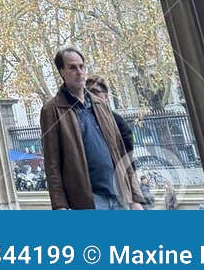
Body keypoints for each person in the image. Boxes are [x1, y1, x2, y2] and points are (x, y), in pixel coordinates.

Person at [40, 47, 145, 210]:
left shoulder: (101, 104)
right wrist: (60, 205)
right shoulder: (52, 109)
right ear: (62, 72)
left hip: (119, 196)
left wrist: (135, 197)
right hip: (88, 201)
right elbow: (52, 162)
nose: (79, 72)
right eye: (72, 67)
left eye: (82, 66)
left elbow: (121, 150)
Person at [86, 74, 143, 206]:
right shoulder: (85, 120)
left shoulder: (117, 121)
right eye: (87, 92)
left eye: (94, 92)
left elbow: (127, 157)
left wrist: (135, 197)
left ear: (106, 96)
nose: (90, 96)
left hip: (119, 190)